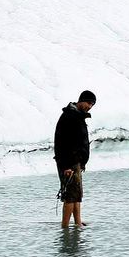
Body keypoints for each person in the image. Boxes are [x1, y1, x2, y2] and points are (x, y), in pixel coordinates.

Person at [53, 90, 96, 227]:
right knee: (70, 196)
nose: (90, 106)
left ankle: (77, 224)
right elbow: (62, 144)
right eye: (89, 103)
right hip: (68, 163)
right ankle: (64, 227)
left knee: (77, 195)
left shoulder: (78, 117)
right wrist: (66, 166)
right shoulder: (69, 117)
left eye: (92, 105)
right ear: (81, 100)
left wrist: (81, 162)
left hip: (76, 162)